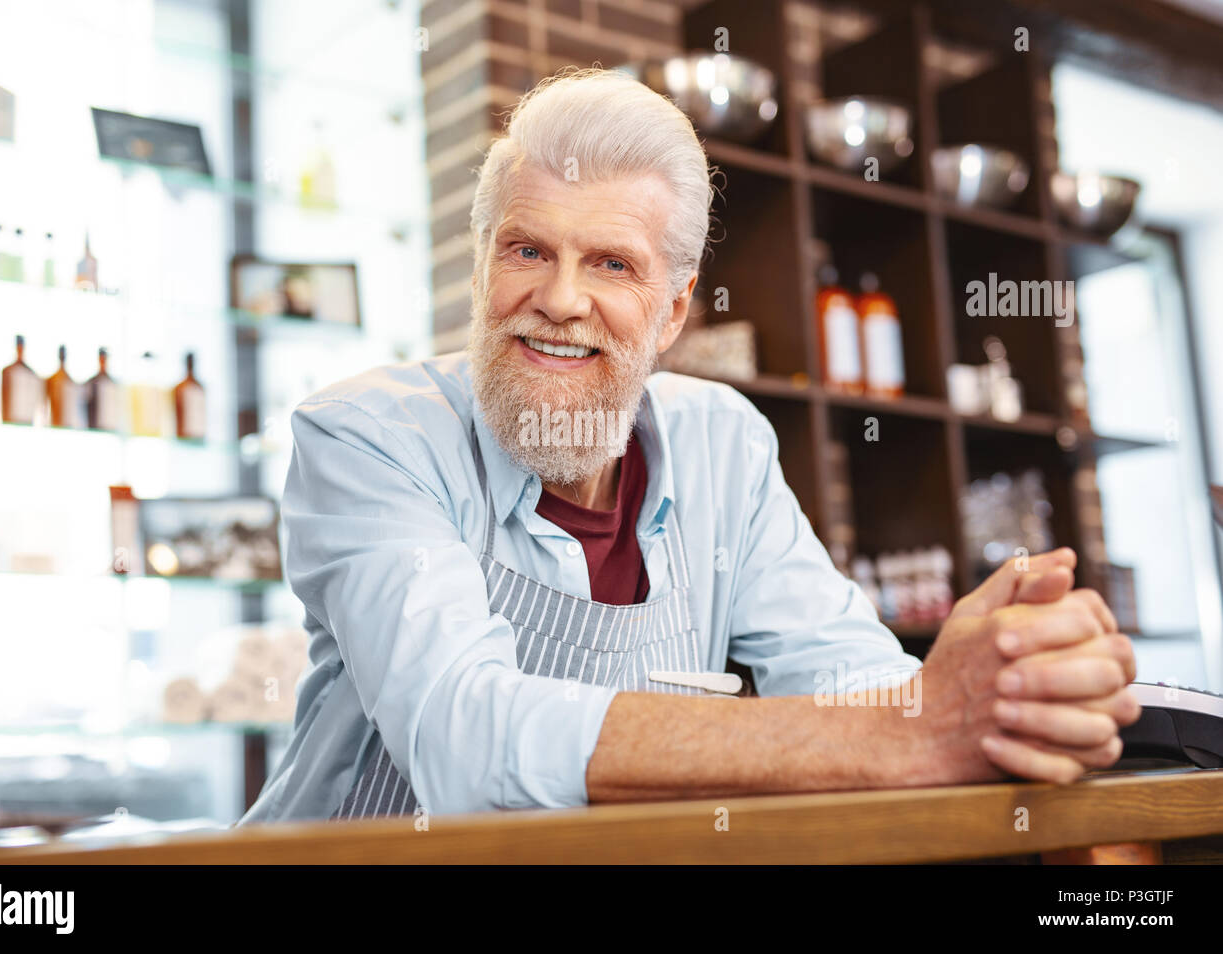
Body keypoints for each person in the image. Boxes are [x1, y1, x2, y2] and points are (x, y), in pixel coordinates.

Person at [238, 68, 1137, 824]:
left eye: (612, 264)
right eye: (525, 251)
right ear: (480, 271)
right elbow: (465, 743)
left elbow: (851, 682)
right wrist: (916, 725)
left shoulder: (725, 444)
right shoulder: (369, 437)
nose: (560, 299)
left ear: (672, 310)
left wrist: (1004, 685)